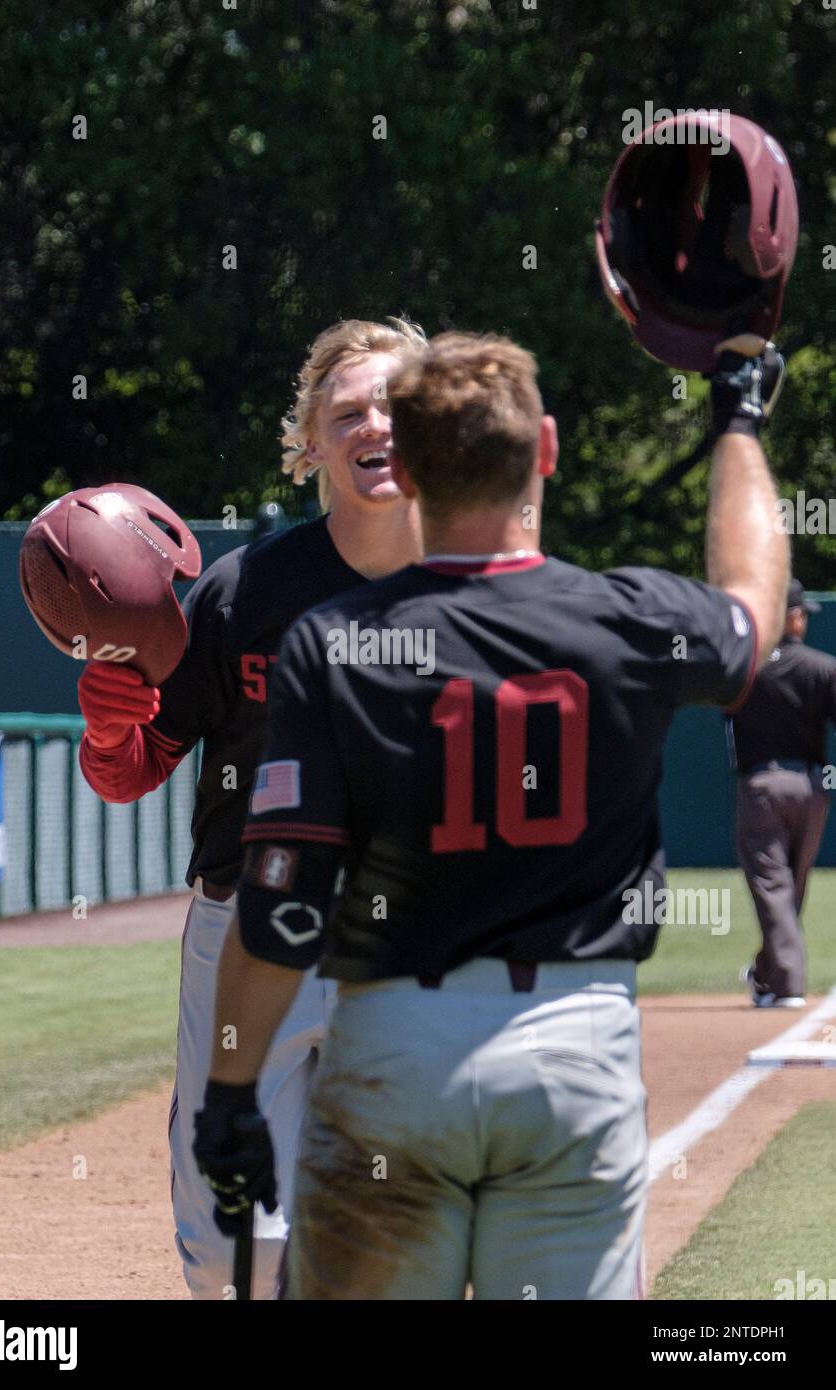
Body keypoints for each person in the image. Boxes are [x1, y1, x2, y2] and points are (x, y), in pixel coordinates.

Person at [193, 332, 789, 1299]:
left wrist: (230, 1093)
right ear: (545, 449)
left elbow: (281, 912)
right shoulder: (628, 621)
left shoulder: (332, 643)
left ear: (412, 467)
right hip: (572, 1049)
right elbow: (749, 608)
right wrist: (739, 419)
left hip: (393, 1050)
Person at [77, 317, 425, 1299]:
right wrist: (111, 730)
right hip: (247, 932)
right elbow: (134, 766)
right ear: (309, 440)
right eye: (348, 409)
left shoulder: (479, 587)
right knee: (241, 1246)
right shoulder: (243, 593)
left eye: (395, 405)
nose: (375, 426)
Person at [730, 577, 834, 1008]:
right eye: (801, 614)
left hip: (762, 787)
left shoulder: (745, 668)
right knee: (790, 888)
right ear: (789, 617)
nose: (804, 621)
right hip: (811, 789)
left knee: (774, 887)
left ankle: (786, 982)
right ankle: (769, 973)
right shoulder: (823, 667)